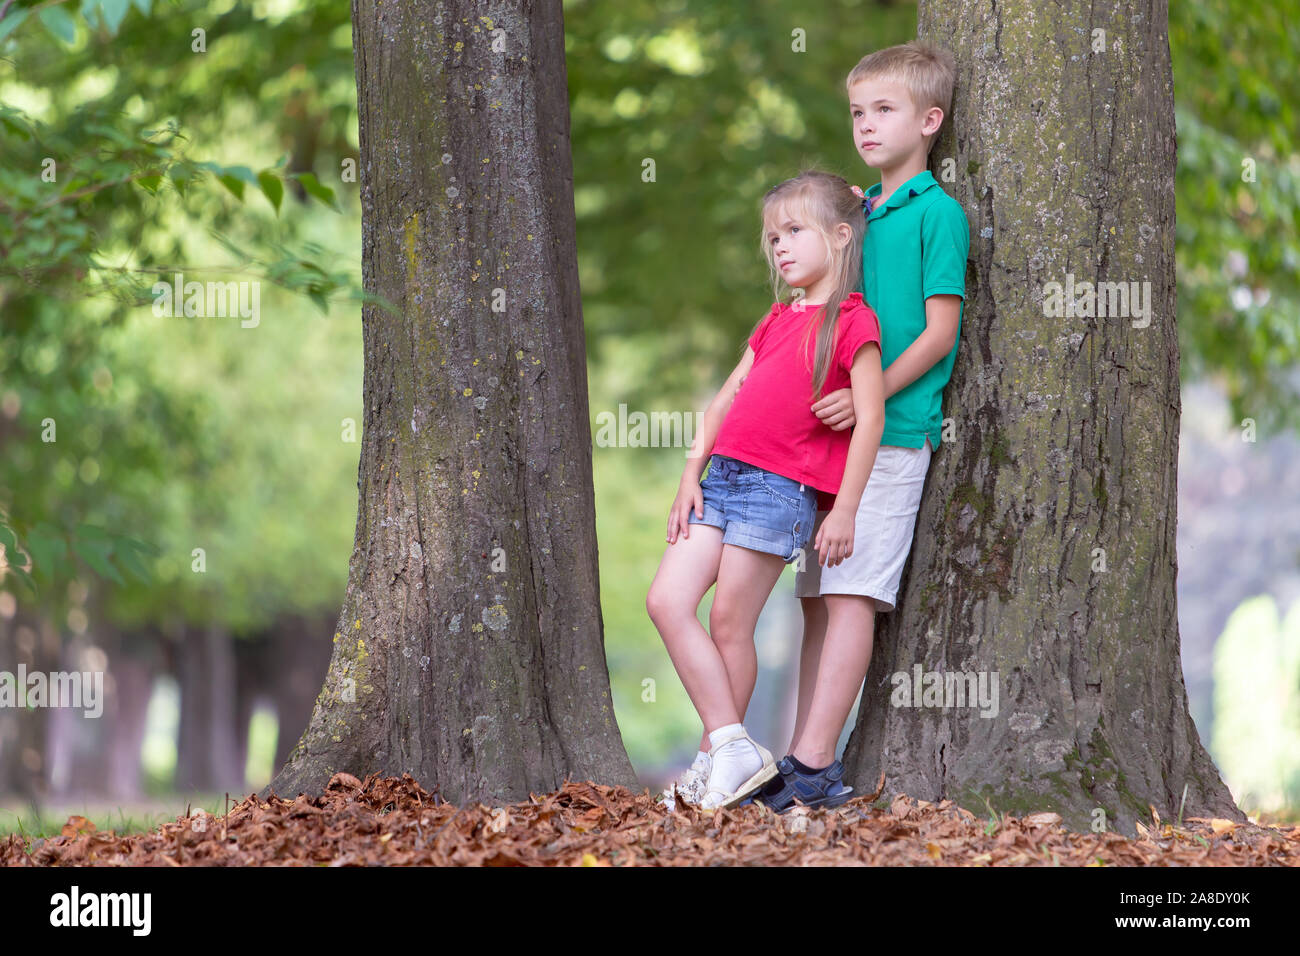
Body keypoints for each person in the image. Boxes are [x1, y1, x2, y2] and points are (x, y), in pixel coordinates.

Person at [755, 42, 971, 812]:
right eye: (857, 112)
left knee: (852, 595)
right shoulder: (861, 215)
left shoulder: (938, 215)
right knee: (815, 593)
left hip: (895, 429)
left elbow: (940, 333)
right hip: (830, 444)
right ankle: (796, 753)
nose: (867, 124)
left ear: (930, 120)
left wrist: (866, 391)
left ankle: (814, 767)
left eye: (885, 110)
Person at [646, 169, 886, 811]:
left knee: (729, 621)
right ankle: (732, 748)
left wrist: (847, 510)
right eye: (772, 236)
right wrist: (687, 476)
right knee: (667, 601)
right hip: (720, 479)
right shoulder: (776, 318)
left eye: (794, 231)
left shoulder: (854, 321)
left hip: (779, 489)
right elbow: (725, 398)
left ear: (839, 237)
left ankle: (713, 766)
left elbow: (871, 419)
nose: (779, 246)